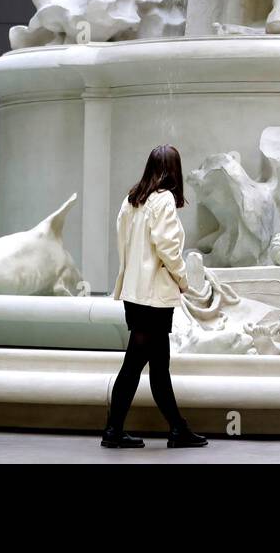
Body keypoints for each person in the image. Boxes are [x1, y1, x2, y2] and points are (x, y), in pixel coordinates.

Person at [101, 144, 208, 449]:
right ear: (174, 171)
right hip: (154, 296)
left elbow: (123, 243)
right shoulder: (164, 202)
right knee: (137, 364)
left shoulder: (131, 199)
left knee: (157, 365)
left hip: (135, 293)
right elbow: (169, 249)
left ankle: (177, 428)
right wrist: (184, 280)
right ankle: (114, 430)